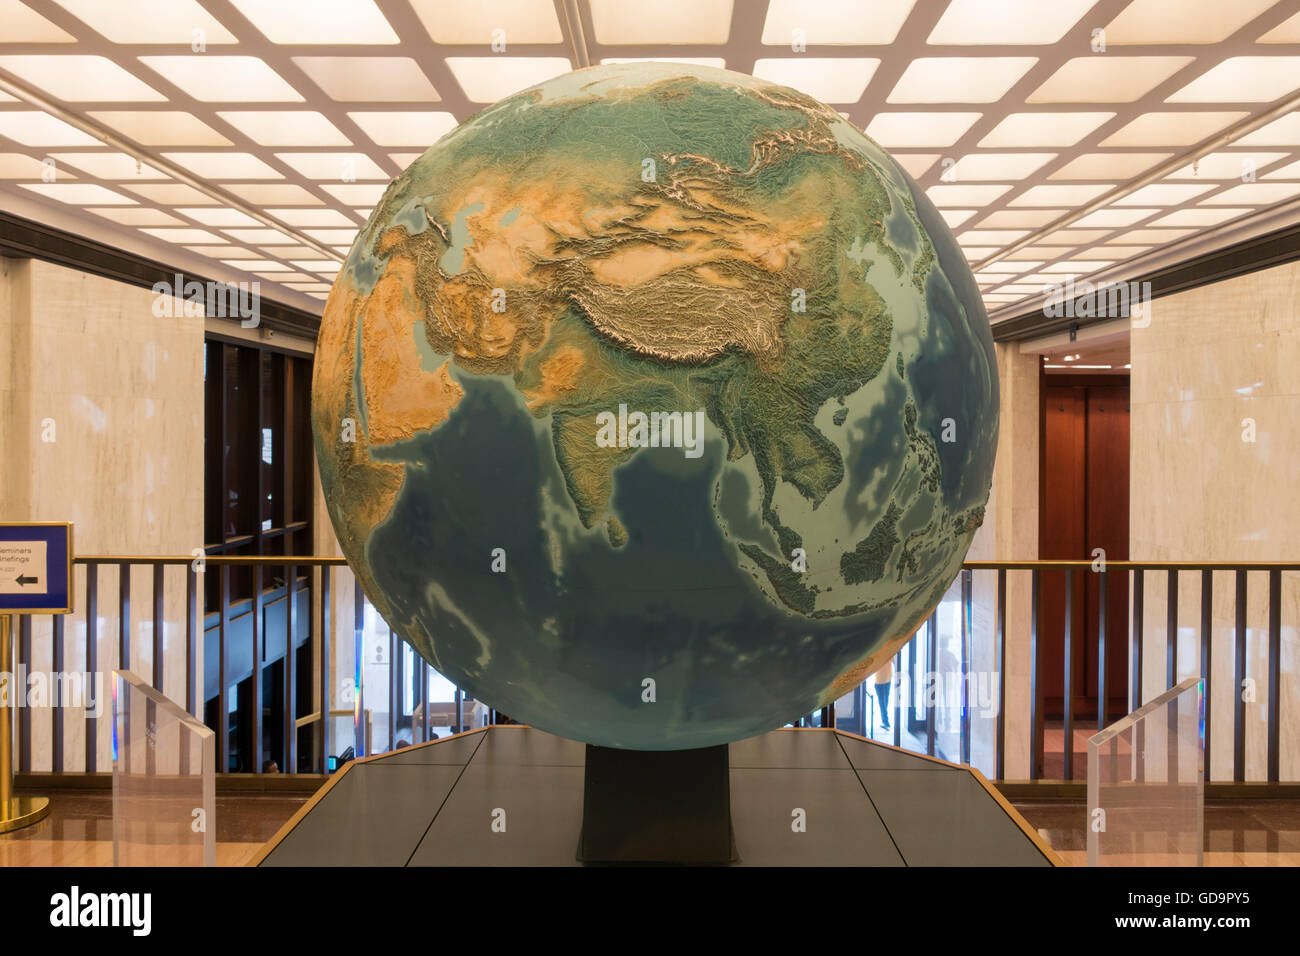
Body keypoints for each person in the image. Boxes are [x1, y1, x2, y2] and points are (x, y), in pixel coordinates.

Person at [873, 659, 894, 732]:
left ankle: (885, 721)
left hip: (884, 680)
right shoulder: (887, 652)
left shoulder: (882, 652)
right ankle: (885, 721)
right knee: (883, 702)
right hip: (881, 681)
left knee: (883, 702)